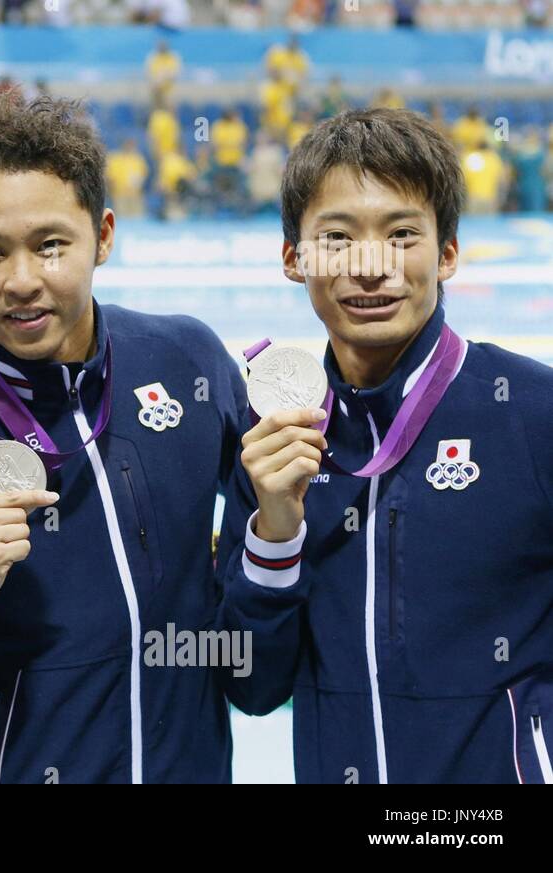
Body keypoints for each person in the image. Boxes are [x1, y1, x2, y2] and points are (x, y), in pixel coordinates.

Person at [0, 92, 247, 783]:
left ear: (104, 234)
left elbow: (255, 639)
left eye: (51, 244)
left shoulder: (188, 361)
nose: (23, 282)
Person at [219, 108, 553, 783]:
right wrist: (276, 532)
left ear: (448, 251)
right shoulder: (271, 441)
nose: (370, 268)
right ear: (293, 257)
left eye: (402, 234)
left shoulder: (532, 412)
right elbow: (251, 686)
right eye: (336, 238)